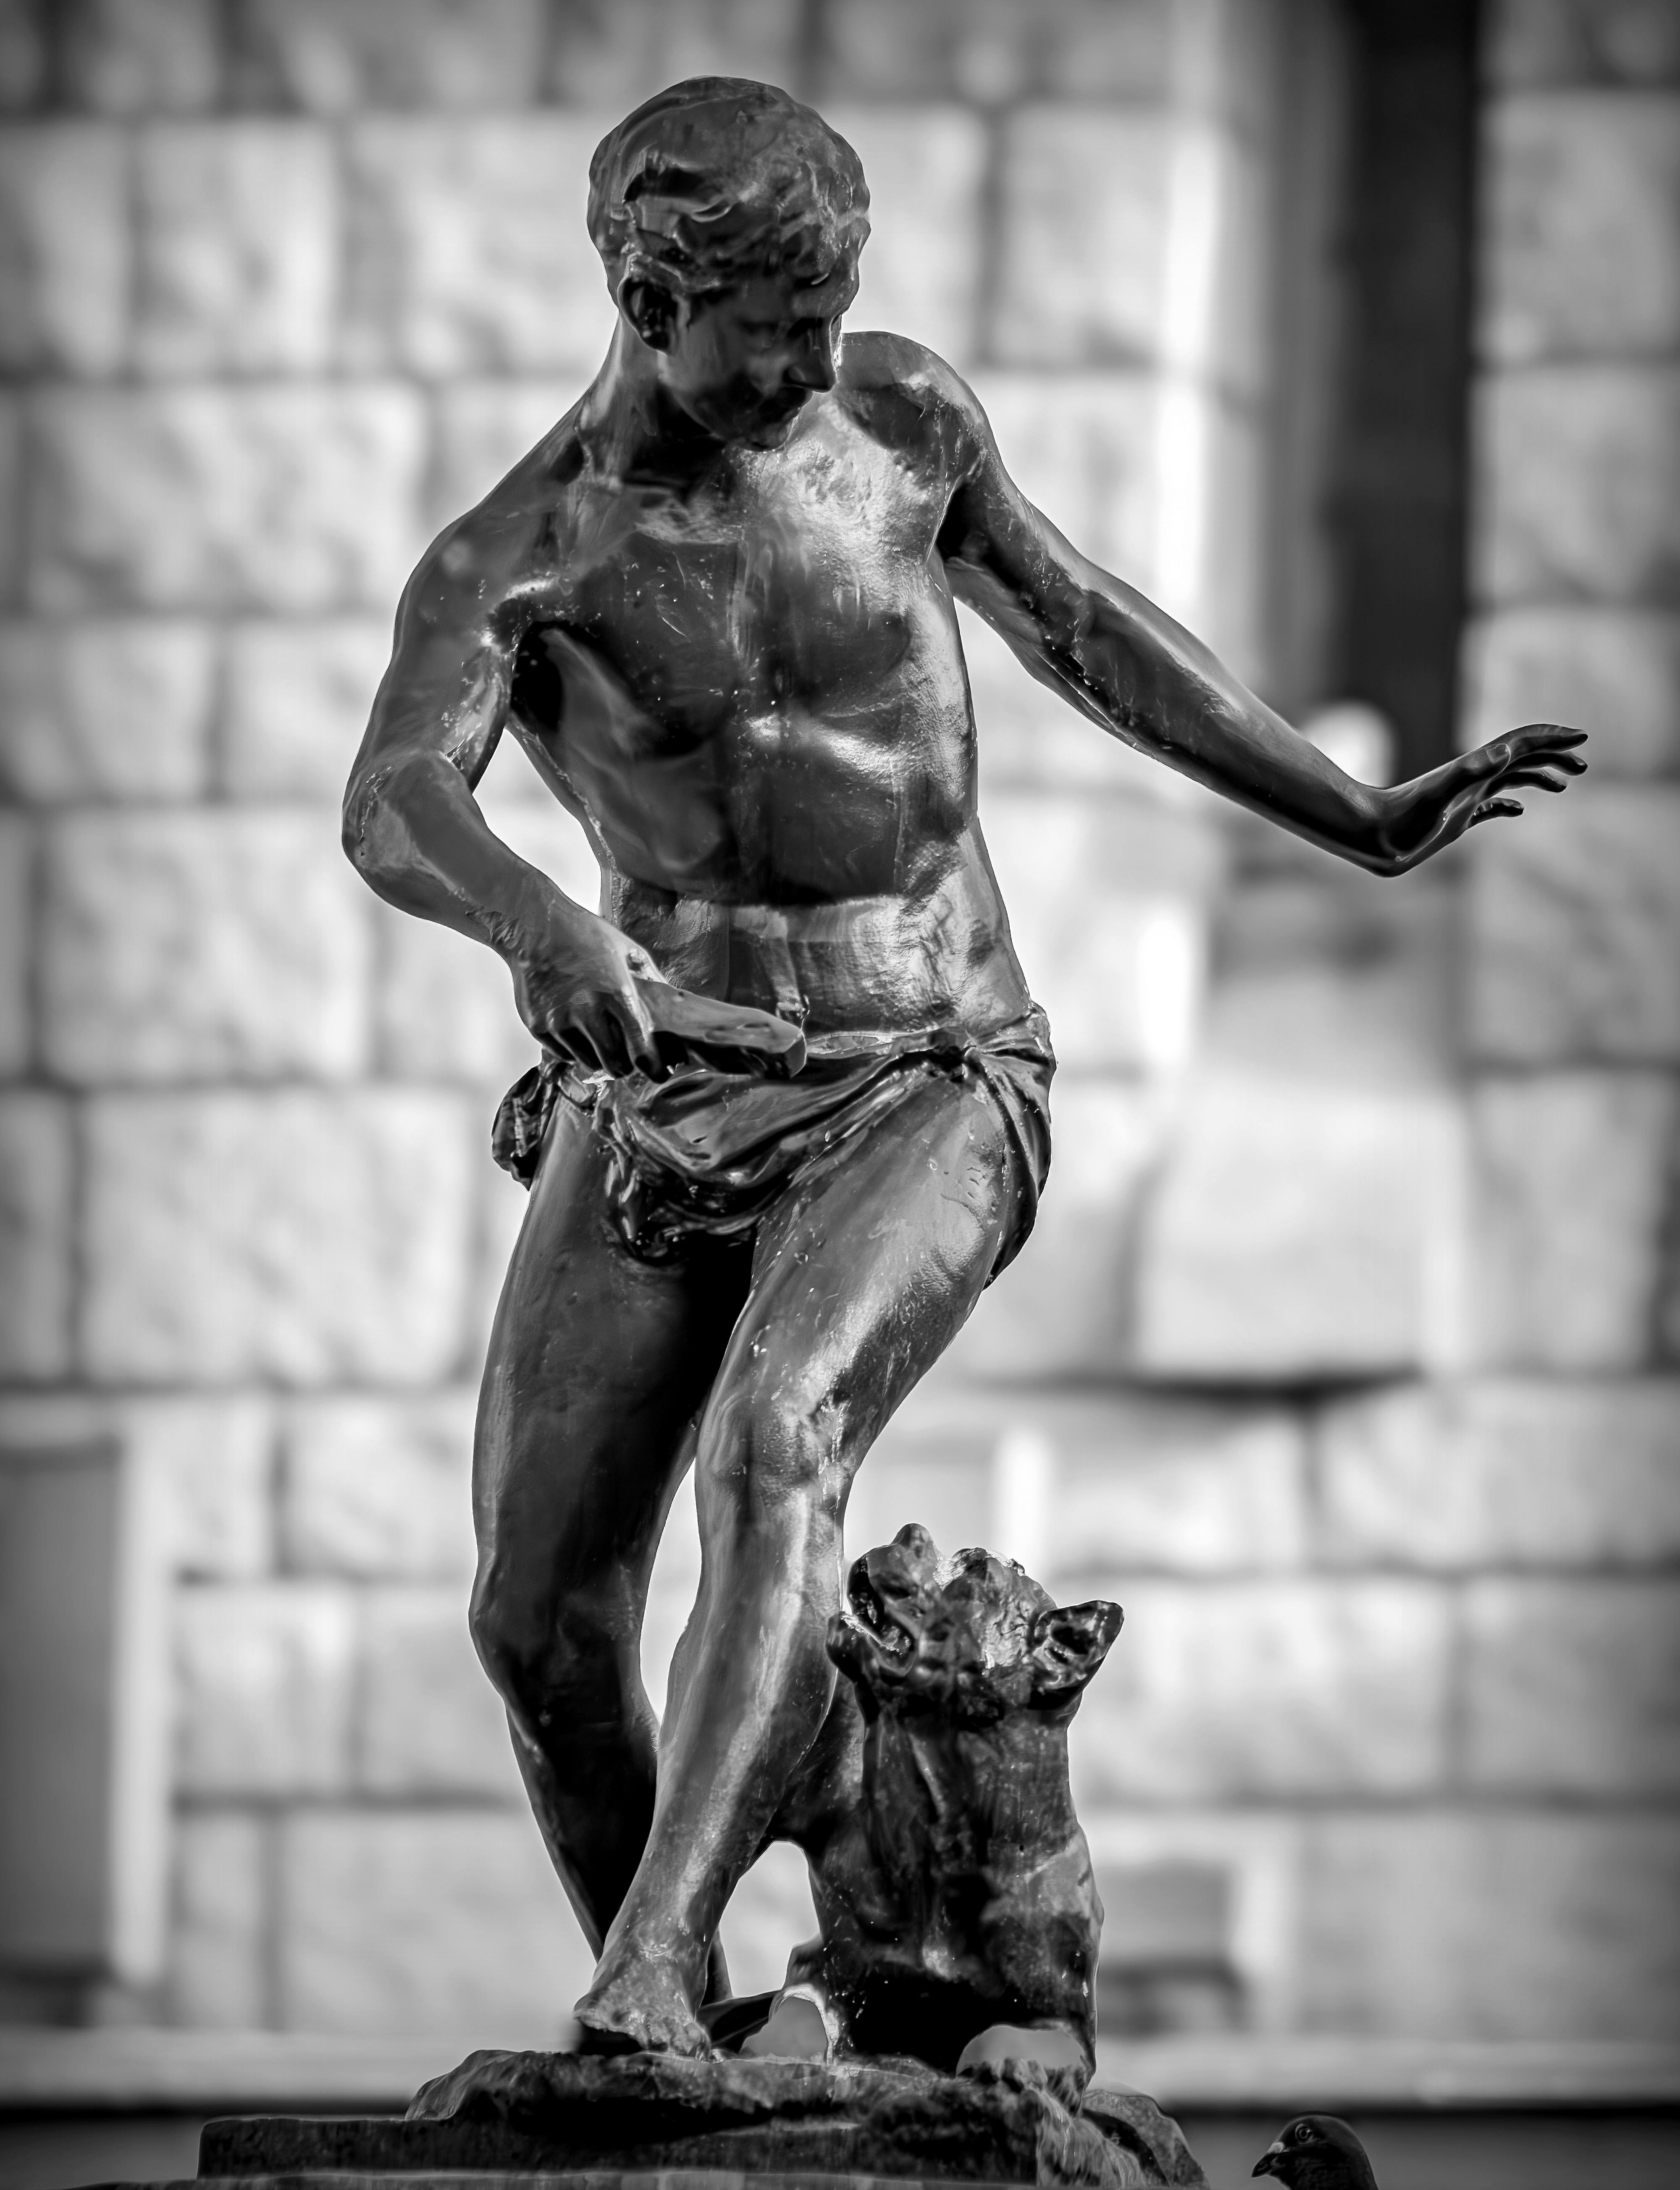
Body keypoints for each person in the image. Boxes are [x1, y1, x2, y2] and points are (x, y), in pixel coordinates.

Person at [342, 78, 1584, 2057]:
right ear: (651, 294)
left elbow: (1084, 625)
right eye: (773, 326)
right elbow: (396, 796)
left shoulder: (905, 427)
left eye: (835, 315)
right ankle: (723, 2021)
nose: (816, 361)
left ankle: (646, 1971)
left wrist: (1353, 814)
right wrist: (540, 924)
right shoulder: (520, 558)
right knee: (535, 1617)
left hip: (932, 1054)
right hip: (671, 1082)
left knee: (779, 1444)